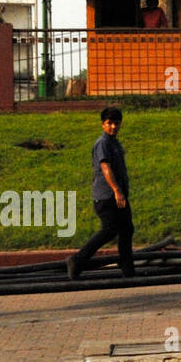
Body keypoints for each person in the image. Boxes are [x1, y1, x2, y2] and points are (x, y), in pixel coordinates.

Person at [67, 106, 135, 280]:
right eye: (109, 123)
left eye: (116, 123)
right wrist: (117, 190)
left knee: (127, 229)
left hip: (119, 196)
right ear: (102, 125)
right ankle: (77, 260)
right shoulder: (102, 143)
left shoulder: (115, 143)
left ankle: (128, 268)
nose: (113, 127)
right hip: (107, 196)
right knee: (110, 230)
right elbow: (105, 167)